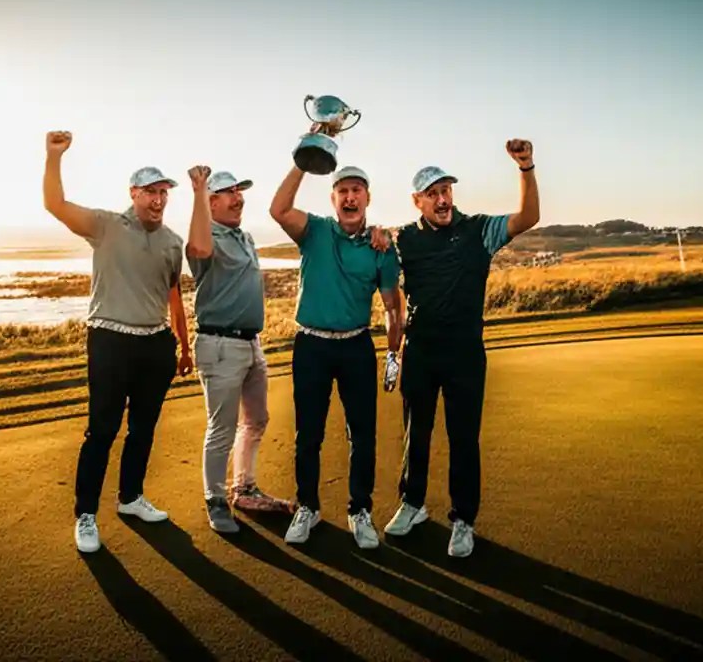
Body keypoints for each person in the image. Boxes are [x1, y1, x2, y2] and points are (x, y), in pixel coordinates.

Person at [384, 139, 540, 558]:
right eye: (432, 193)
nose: (442, 198)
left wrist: (525, 167)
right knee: (416, 432)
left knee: (463, 438)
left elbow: (529, 216)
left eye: (446, 190)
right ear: (417, 201)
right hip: (422, 349)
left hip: (465, 351)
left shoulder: (478, 230)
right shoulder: (404, 240)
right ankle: (412, 504)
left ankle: (463, 520)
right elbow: (376, 265)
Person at [41, 130, 193, 554]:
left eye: (164, 192)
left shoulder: (172, 242)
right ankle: (86, 514)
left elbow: (173, 295)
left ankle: (130, 498)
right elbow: (55, 205)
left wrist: (184, 344)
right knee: (103, 429)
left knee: (143, 429)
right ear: (133, 193)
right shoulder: (106, 224)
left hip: (155, 345)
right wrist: (54, 157)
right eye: (150, 192)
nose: (158, 200)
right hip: (109, 340)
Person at [269, 155, 403, 549]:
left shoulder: (381, 246)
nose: (349, 197)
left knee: (362, 434)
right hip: (311, 345)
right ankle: (307, 507)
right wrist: (303, 160)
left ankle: (359, 510)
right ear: (333, 199)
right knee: (307, 433)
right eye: (342, 191)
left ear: (367, 198)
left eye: (356, 191)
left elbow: (393, 305)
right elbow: (277, 209)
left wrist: (394, 354)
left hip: (356, 346)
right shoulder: (314, 230)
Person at [185, 167, 294, 535]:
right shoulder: (206, 237)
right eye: (229, 193)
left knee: (256, 419)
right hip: (219, 345)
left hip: (251, 343)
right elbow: (198, 249)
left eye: (240, 191)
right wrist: (198, 191)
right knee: (222, 427)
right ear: (211, 202)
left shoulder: (243, 236)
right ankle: (215, 500)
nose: (239, 198)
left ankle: (243, 487)